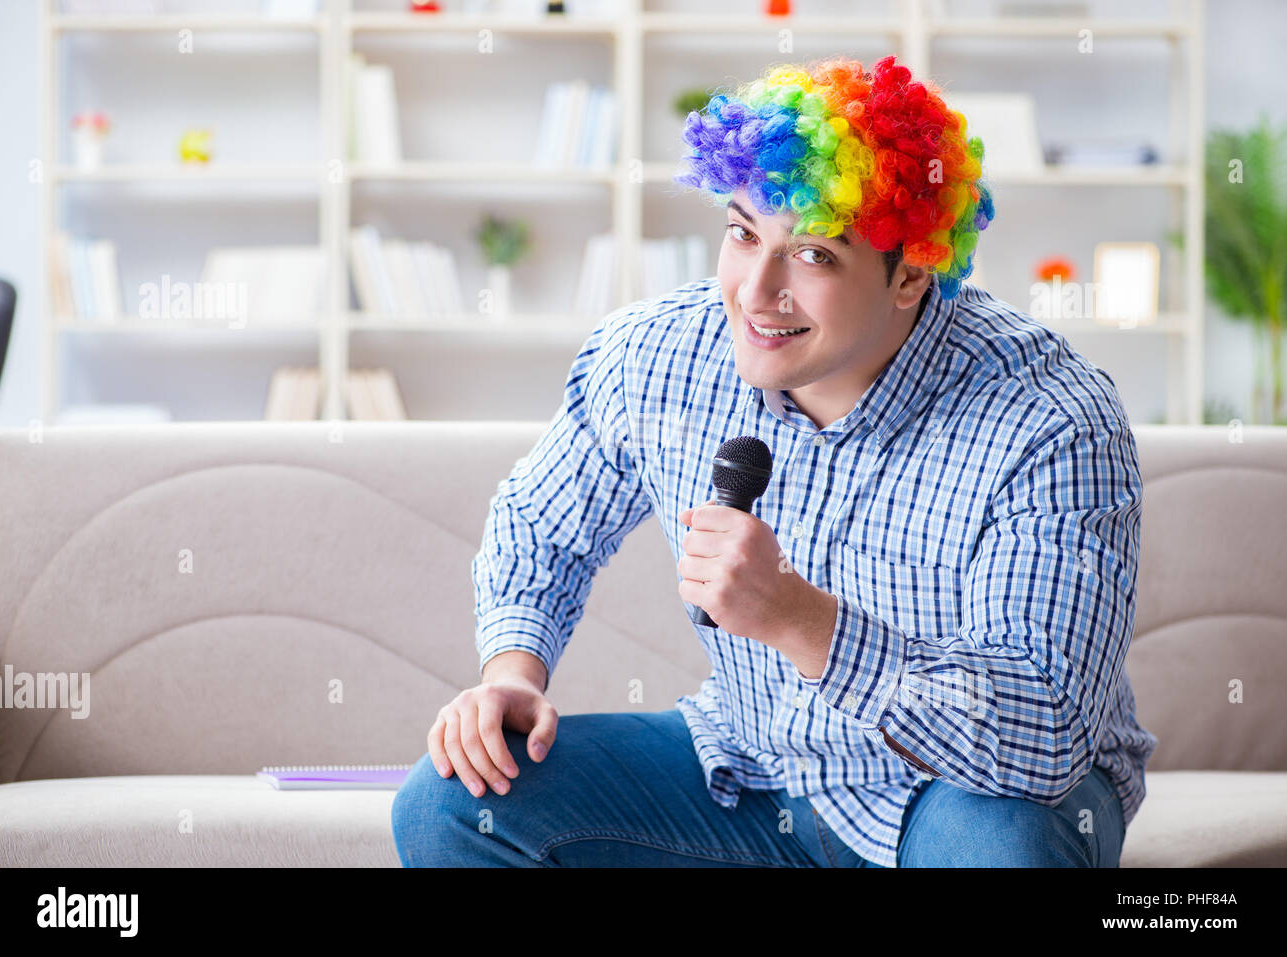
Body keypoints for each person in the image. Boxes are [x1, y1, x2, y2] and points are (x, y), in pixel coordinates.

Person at [391, 54, 1158, 867]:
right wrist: (514, 672)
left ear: (910, 276)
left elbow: (1043, 731)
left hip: (962, 789)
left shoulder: (1050, 418)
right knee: (450, 806)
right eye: (743, 233)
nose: (757, 292)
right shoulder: (655, 353)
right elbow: (540, 524)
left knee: (1000, 845)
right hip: (755, 767)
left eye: (814, 255)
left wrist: (800, 618)